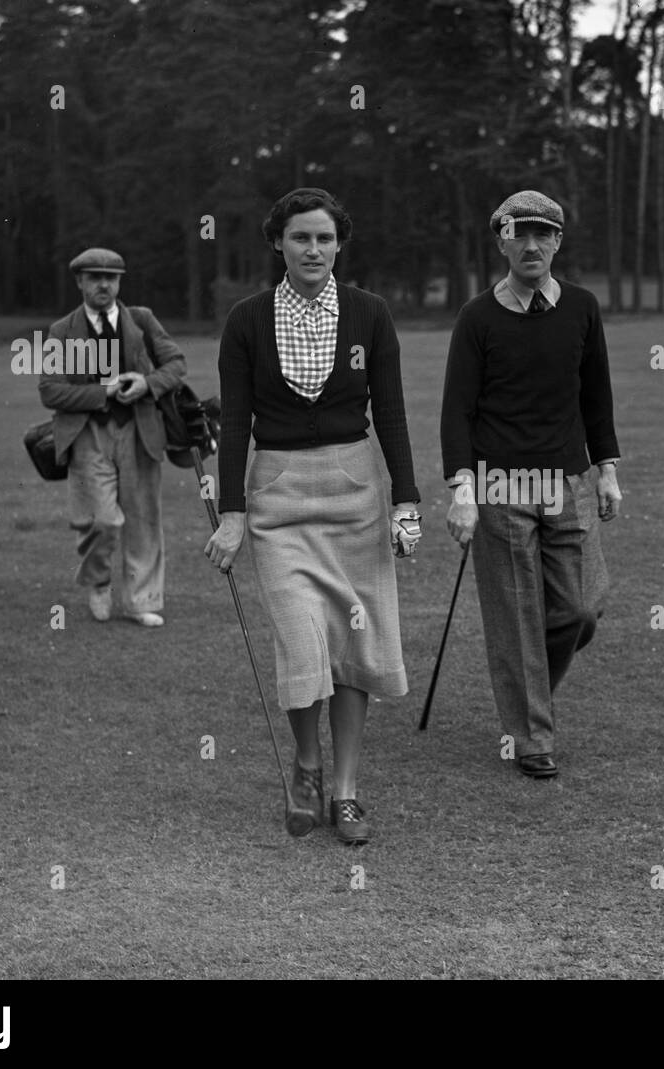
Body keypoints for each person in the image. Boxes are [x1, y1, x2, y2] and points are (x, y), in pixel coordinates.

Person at [204, 188, 421, 845]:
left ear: (339, 244)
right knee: (303, 640)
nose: (314, 250)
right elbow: (235, 420)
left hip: (356, 493)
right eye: (301, 237)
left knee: (354, 645)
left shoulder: (369, 314)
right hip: (278, 498)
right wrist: (233, 512)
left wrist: (406, 500)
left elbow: (391, 411)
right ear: (279, 243)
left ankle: (347, 791)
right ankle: (306, 763)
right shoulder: (246, 321)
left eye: (325, 238)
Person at [440, 190, 622, 779]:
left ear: (558, 242)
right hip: (499, 485)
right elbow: (456, 411)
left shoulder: (582, 307)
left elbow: (595, 394)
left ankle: (527, 685)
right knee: (516, 614)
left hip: (566, 481)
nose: (532, 245)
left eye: (544, 235)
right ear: (501, 241)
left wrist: (608, 470)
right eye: (520, 233)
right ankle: (531, 736)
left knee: (581, 608)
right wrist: (463, 491)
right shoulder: (477, 317)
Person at [39, 247, 187, 628]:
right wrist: (101, 392)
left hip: (140, 429)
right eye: (94, 277)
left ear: (120, 282)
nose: (103, 284)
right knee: (101, 520)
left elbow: (177, 364)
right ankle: (98, 581)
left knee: (143, 518)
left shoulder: (141, 320)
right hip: (88, 434)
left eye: (111, 277)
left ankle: (141, 601)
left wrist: (146, 383)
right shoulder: (62, 331)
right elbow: (50, 391)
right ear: (80, 282)